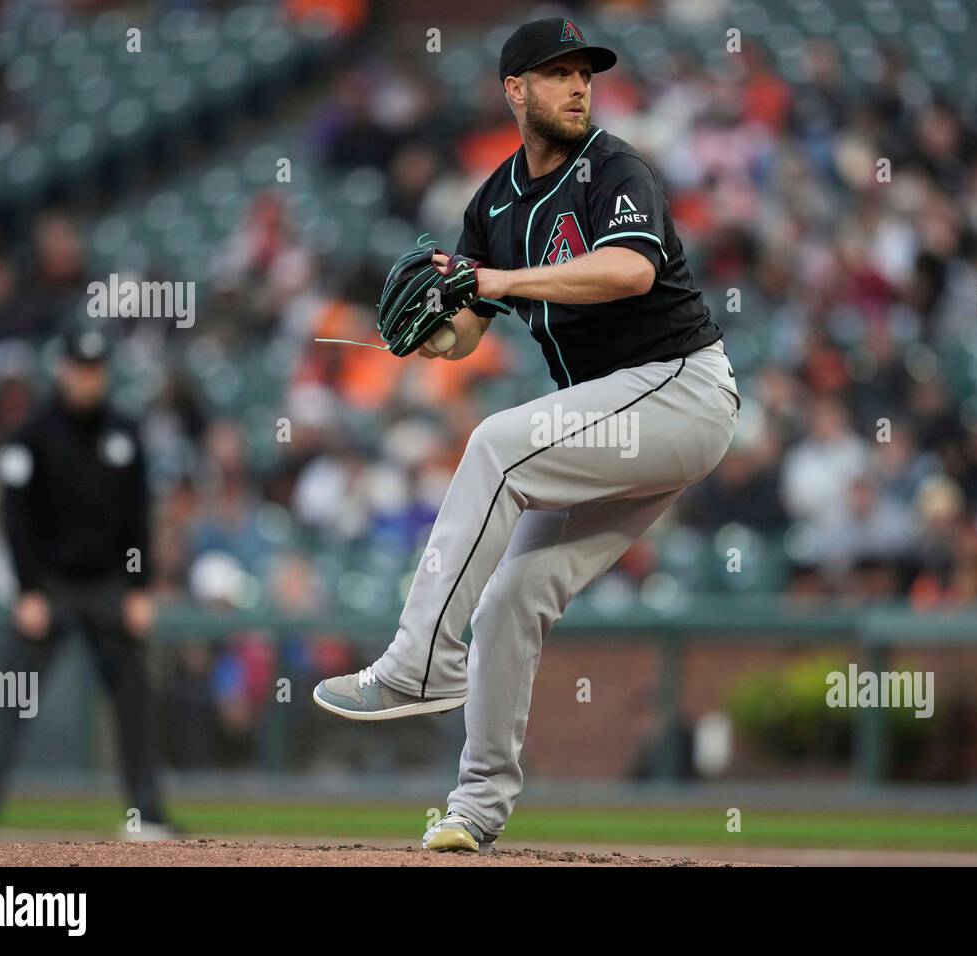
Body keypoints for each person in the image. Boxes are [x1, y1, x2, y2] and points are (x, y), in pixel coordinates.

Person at [313, 17, 739, 851]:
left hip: (681, 390)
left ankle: (415, 662)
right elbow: (471, 324)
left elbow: (631, 270)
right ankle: (476, 809)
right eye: (558, 73)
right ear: (516, 91)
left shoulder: (615, 168)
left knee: (496, 445)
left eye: (586, 72)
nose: (579, 85)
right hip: (622, 415)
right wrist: (441, 336)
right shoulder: (492, 204)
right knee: (511, 597)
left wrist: (496, 280)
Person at [0, 326, 173, 843]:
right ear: (63, 370)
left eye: (96, 370)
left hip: (108, 584)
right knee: (9, 694)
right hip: (48, 585)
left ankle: (148, 812)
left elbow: (139, 515)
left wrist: (140, 587)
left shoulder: (123, 433)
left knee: (134, 695)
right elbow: (18, 520)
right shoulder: (32, 435)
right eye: (80, 368)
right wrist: (27, 588)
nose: (88, 379)